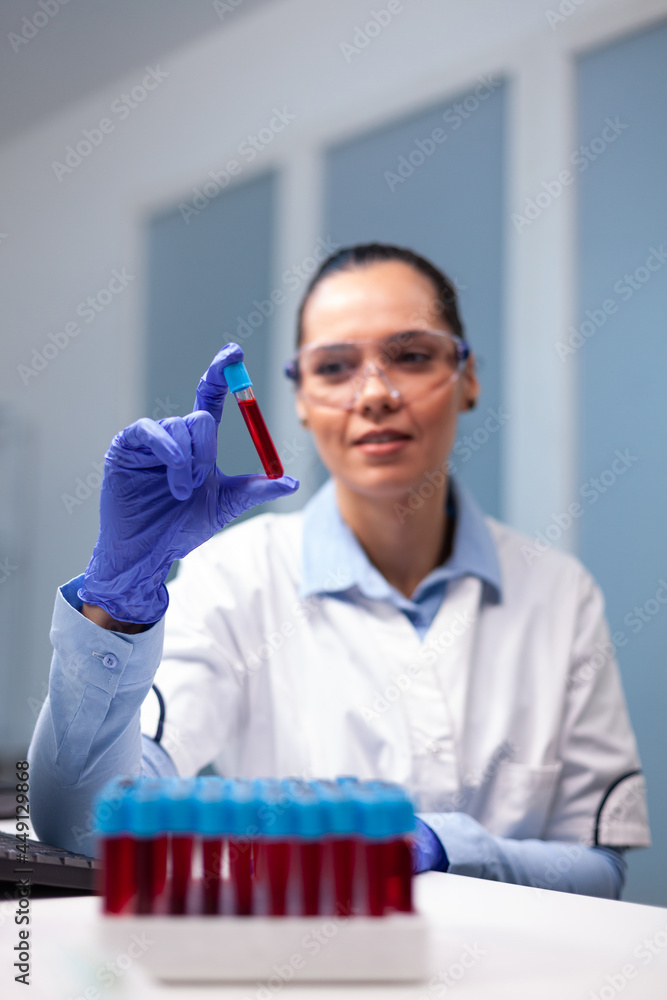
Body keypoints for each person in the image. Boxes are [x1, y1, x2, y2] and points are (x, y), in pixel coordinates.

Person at [28, 243, 650, 897]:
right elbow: (86, 825)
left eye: (411, 356)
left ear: (467, 378)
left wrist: (448, 848)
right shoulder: (237, 576)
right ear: (299, 398)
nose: (375, 395)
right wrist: (119, 596)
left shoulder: (558, 592)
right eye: (334, 366)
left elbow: (599, 873)